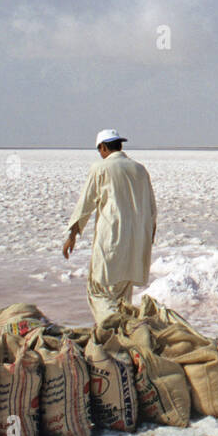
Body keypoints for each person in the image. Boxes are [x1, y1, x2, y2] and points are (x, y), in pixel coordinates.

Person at [62, 129, 158, 325]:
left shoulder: (101, 168)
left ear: (103, 147)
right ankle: (127, 333)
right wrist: (148, 238)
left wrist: (72, 234)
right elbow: (152, 209)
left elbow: (85, 203)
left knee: (99, 290)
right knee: (123, 296)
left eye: (100, 150)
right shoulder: (140, 169)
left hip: (111, 239)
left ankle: (111, 330)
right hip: (136, 243)